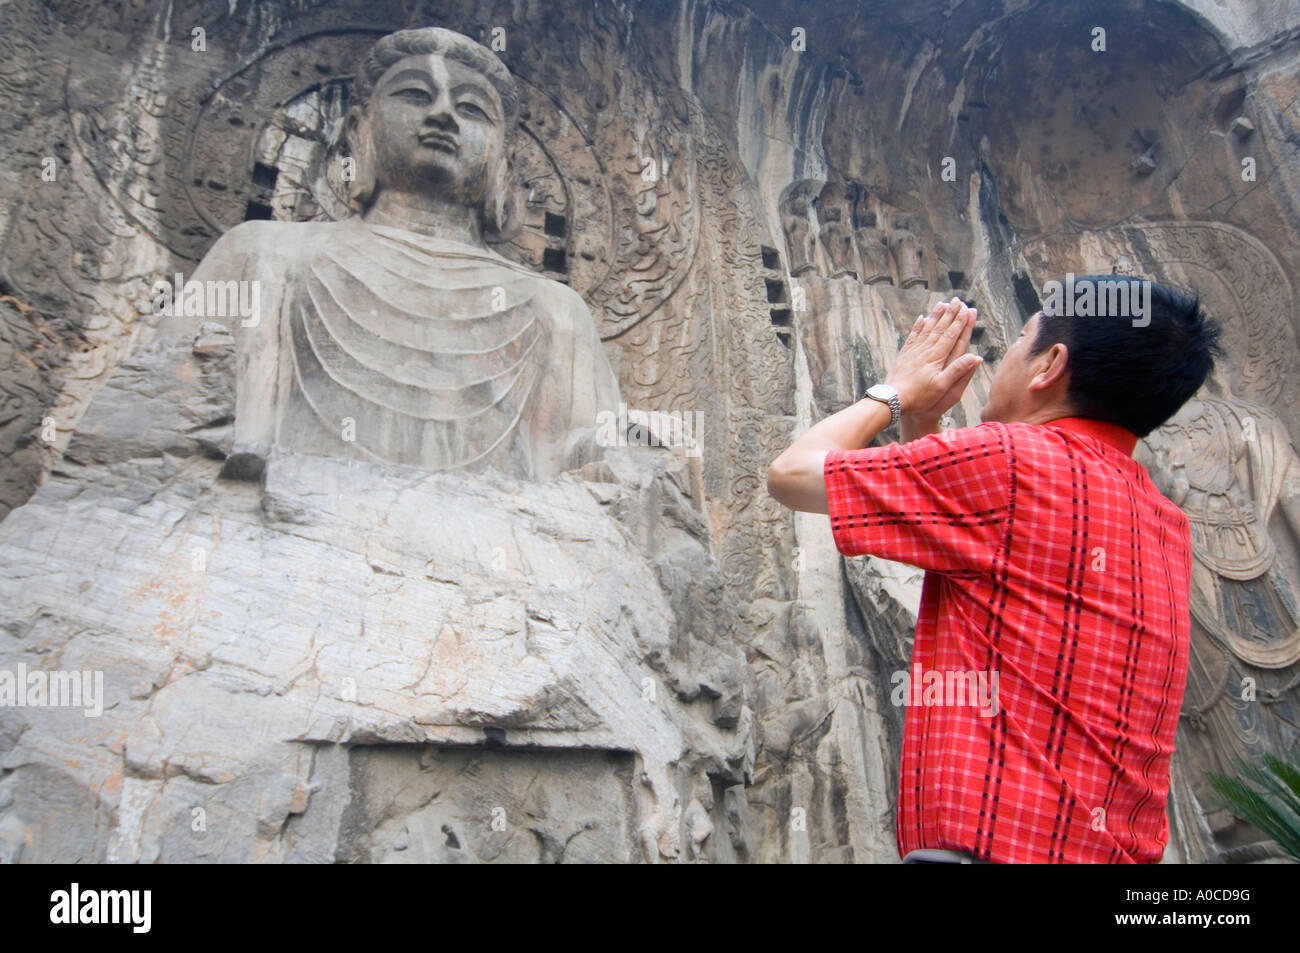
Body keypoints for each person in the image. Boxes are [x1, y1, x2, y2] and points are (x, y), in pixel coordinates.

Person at [767, 277, 1223, 863]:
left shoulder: (1010, 461)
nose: (1002, 354)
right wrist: (922, 429)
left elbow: (793, 474)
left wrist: (894, 391)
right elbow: (978, 555)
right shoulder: (1164, 523)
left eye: (1019, 339)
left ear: (1049, 364)